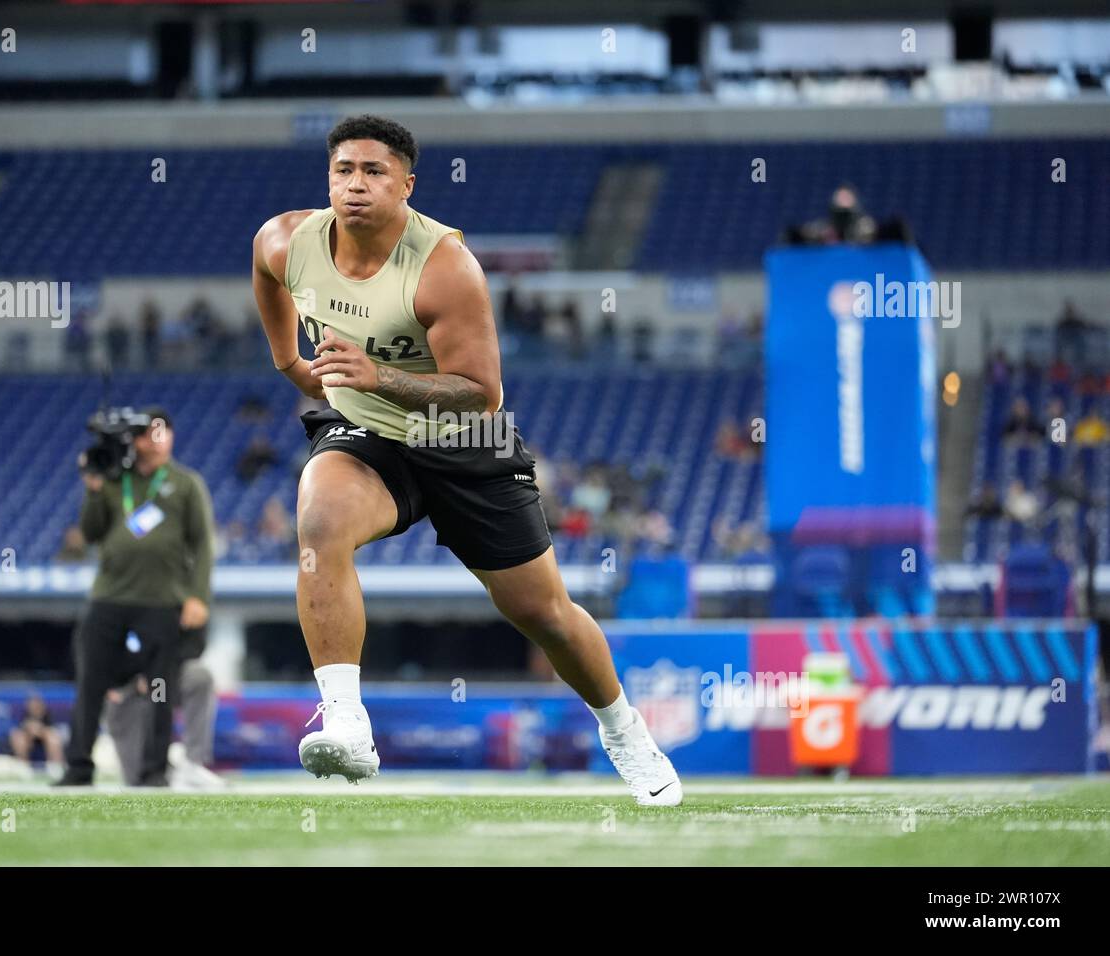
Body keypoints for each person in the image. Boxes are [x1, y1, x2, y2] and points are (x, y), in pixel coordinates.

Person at [250, 114, 681, 806]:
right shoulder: (288, 240)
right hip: (366, 434)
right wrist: (288, 361)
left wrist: (378, 375)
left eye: (374, 173)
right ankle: (346, 721)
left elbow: (480, 395)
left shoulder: (446, 267)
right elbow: (266, 276)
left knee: (543, 614)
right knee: (320, 519)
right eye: (343, 171)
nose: (355, 185)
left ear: (407, 185)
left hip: (462, 440)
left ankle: (624, 730)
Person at [57, 406, 215, 787]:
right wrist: (94, 489)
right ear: (134, 440)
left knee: (159, 687)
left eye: (162, 432)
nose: (155, 440)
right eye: (147, 433)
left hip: (162, 601)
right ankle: (78, 767)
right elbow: (91, 532)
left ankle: (154, 771)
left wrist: (197, 596)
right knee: (90, 681)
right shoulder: (114, 480)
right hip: (110, 597)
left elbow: (203, 544)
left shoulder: (185, 483)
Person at [102, 629, 221, 789]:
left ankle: (192, 763)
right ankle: (164, 769)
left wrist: (157, 670)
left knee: (194, 679)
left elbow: (193, 644)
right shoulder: (115, 614)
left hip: (161, 680)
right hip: (128, 687)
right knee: (138, 778)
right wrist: (133, 676)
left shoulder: (171, 611)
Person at [9, 694, 64, 777]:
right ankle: (23, 767)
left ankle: (56, 767)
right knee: (19, 738)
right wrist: (31, 731)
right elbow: (18, 730)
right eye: (32, 704)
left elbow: (52, 731)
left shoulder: (48, 716)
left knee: (52, 738)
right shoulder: (23, 716)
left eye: (37, 704)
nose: (35, 707)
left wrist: (40, 731)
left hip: (44, 741)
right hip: (28, 741)